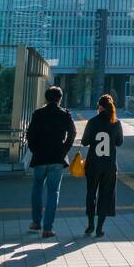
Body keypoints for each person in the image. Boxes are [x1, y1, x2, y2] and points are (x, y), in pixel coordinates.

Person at [26, 86, 76, 239]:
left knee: (37, 188)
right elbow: (73, 133)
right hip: (57, 157)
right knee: (53, 192)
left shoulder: (38, 113)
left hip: (40, 156)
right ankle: (48, 229)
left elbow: (30, 135)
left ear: (46, 98)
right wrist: (64, 149)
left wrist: (35, 149)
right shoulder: (64, 114)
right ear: (60, 99)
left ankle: (36, 223)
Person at [81, 93, 124, 237]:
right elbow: (119, 142)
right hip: (109, 165)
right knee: (106, 195)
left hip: (93, 164)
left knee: (91, 193)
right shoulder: (116, 122)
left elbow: (84, 142)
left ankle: (90, 225)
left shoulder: (92, 122)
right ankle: (100, 228)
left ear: (99, 106)